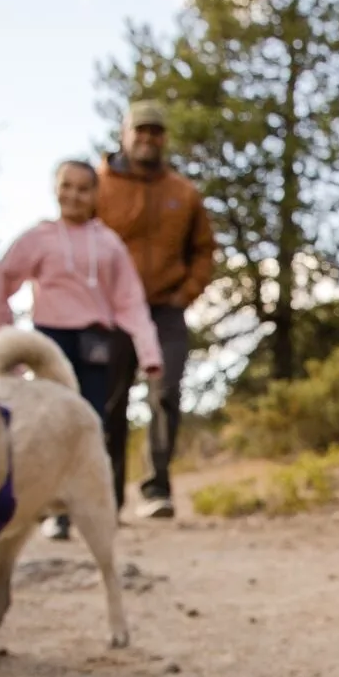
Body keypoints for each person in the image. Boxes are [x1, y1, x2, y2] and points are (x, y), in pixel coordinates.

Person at [0, 160, 163, 540]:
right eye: (67, 186)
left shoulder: (109, 243)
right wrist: (7, 346)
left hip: (96, 341)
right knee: (48, 427)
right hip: (50, 342)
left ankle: (97, 508)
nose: (74, 195)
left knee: (93, 424)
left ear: (96, 194)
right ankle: (52, 512)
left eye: (83, 188)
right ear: (55, 189)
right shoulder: (38, 239)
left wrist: (149, 352)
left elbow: (129, 299)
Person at [96, 100, 215, 521]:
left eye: (156, 132)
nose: (148, 138)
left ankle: (156, 489)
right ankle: (107, 497)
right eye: (140, 130)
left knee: (166, 394)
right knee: (110, 403)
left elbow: (204, 250)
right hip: (111, 313)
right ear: (125, 134)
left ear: (164, 139)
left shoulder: (182, 193)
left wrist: (187, 292)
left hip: (165, 309)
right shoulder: (100, 185)